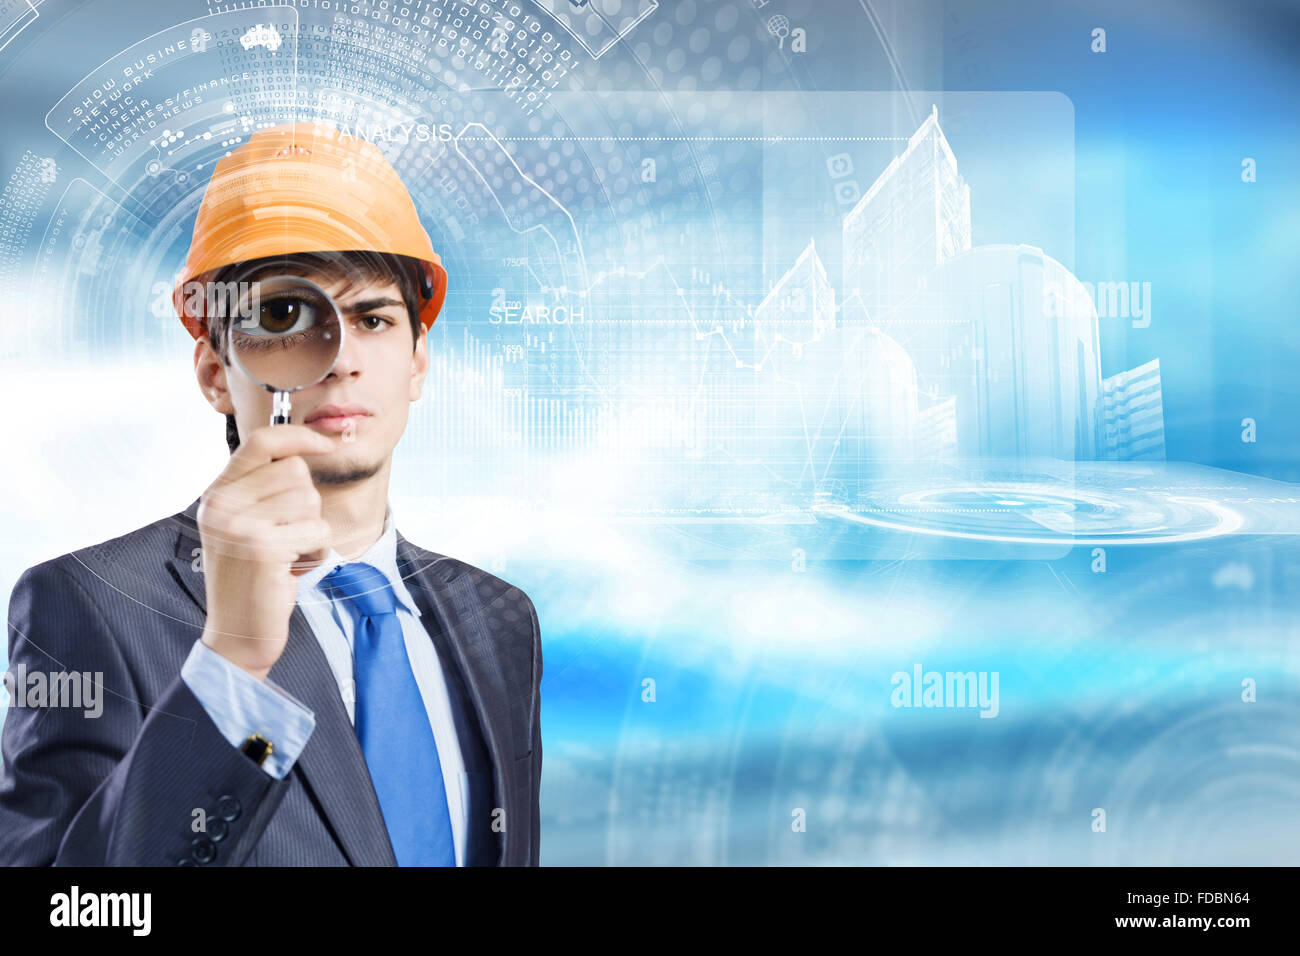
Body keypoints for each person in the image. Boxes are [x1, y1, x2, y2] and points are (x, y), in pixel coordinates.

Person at [0, 120, 541, 866]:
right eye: (285, 317)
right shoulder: (89, 607)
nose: (341, 359)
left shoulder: (502, 619)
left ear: (418, 361)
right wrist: (232, 663)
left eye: (375, 319)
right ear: (215, 371)